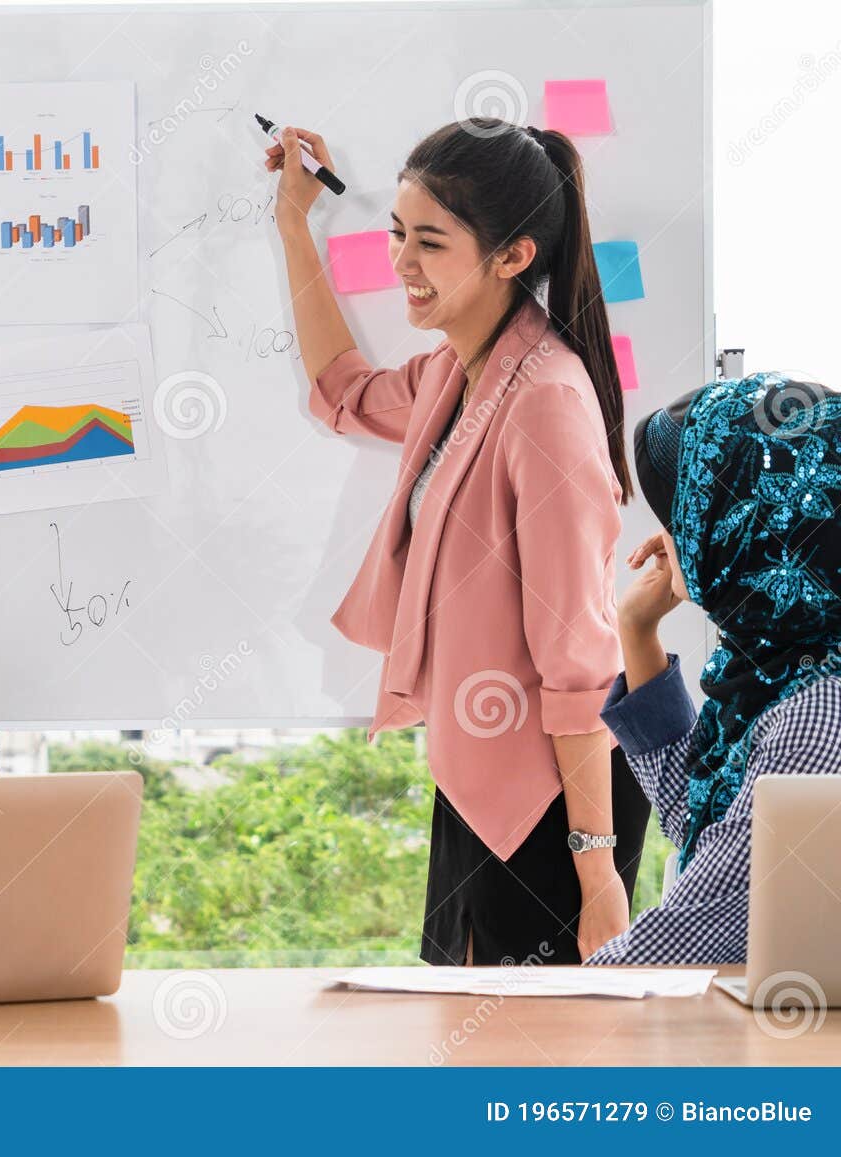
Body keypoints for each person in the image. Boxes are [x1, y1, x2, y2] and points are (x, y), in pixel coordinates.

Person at [266, 119, 650, 965]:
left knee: (532, 1071)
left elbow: (579, 661)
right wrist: (293, 222)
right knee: (464, 1054)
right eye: (399, 233)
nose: (402, 262)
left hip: (556, 802)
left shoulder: (544, 400)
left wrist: (597, 872)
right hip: (481, 782)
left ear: (513, 256)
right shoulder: (457, 371)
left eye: (430, 242)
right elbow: (346, 391)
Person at [591, 375, 841, 963]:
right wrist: (636, 629)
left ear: (743, 534)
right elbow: (700, 823)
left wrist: (546, 1013)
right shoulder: (777, 668)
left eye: (686, 513)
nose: (669, 535)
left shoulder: (816, 711)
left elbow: (695, 930)